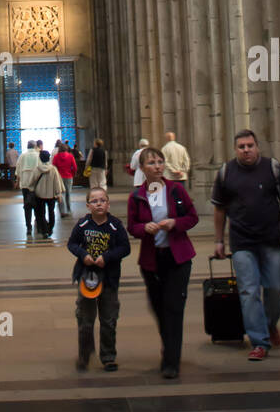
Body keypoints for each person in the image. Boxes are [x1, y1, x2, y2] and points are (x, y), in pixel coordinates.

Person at [211, 129, 280, 360]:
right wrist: (219, 240)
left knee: (276, 288)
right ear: (235, 149)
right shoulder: (226, 172)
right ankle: (259, 341)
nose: (246, 150)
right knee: (249, 291)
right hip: (242, 242)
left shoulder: (273, 168)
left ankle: (270, 324)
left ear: (257, 146)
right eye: (241, 146)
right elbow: (219, 208)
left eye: (250, 145)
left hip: (271, 240)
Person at [127, 146, 198, 379]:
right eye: (151, 162)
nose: (157, 166)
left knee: (174, 308)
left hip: (178, 257)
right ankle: (168, 344)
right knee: (159, 308)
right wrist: (143, 228)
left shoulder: (176, 190)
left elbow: (192, 216)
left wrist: (174, 223)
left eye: (160, 162)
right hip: (152, 259)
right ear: (142, 168)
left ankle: (171, 360)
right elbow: (132, 226)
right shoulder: (137, 196)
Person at [67, 188, 131, 371]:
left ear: (108, 204)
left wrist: (108, 257)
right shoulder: (82, 225)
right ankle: (84, 355)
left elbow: (125, 248)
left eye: (103, 200)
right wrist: (83, 254)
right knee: (85, 319)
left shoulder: (115, 225)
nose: (99, 203)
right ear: (88, 205)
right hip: (87, 277)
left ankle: (108, 356)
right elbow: (72, 244)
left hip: (108, 278)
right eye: (94, 201)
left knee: (109, 318)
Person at [29, 149, 63, 237]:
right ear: (49, 158)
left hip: (39, 195)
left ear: (40, 158)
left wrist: (31, 189)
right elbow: (57, 182)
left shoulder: (37, 169)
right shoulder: (53, 169)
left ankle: (44, 231)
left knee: (41, 213)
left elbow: (32, 182)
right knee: (51, 212)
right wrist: (58, 194)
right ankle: (50, 228)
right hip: (51, 195)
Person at [16, 139, 42, 236]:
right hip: (36, 184)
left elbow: (18, 169)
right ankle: (38, 224)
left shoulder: (22, 156)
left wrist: (17, 181)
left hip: (25, 184)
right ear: (35, 146)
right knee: (37, 205)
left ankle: (28, 227)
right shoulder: (38, 155)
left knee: (27, 205)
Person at [52, 141, 77, 215]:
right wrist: (72, 174)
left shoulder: (56, 157)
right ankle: (69, 209)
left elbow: (54, 167)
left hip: (59, 177)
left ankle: (63, 211)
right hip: (68, 176)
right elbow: (74, 167)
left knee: (61, 194)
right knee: (68, 193)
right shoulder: (70, 156)